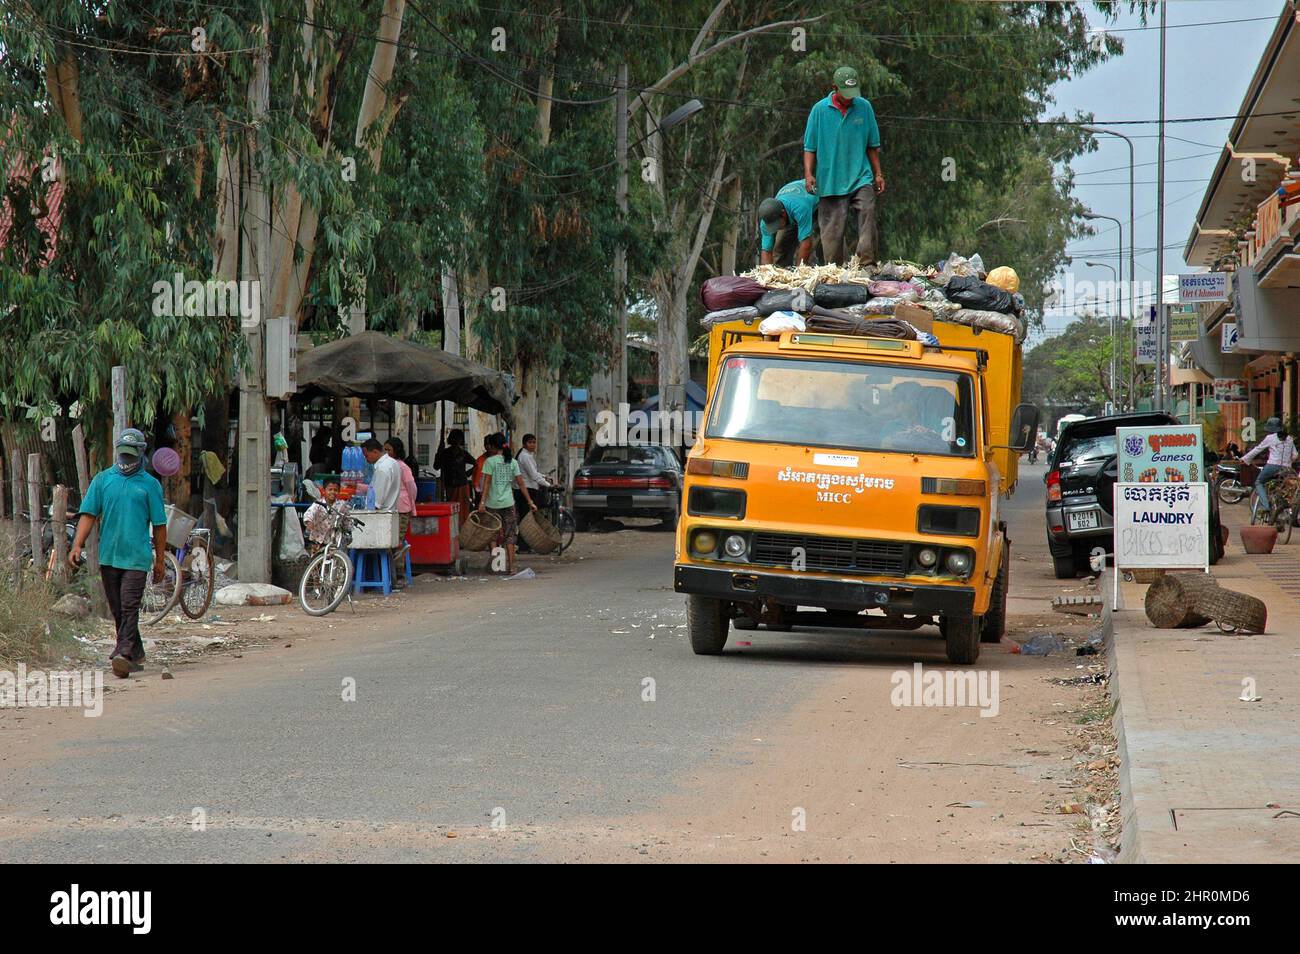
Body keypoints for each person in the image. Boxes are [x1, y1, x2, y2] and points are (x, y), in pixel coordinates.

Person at [68, 428, 168, 680]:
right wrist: (77, 544)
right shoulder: (103, 481)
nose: (126, 459)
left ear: (142, 453)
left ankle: (123, 653)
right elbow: (89, 514)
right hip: (109, 555)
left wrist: (159, 561)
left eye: (131, 455)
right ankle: (137, 651)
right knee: (118, 609)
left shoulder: (150, 485)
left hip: (137, 557)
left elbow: (159, 525)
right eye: (123, 454)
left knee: (129, 604)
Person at [803, 65, 885, 266]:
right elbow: (810, 147)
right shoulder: (819, 110)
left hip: (860, 175)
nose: (849, 98)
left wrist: (878, 174)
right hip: (831, 179)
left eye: (852, 94)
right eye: (845, 93)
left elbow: (872, 145)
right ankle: (836, 269)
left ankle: (866, 263)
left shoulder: (864, 107)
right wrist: (808, 174)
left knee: (867, 210)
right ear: (834, 87)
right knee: (832, 232)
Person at [477, 433, 536, 575]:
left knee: (493, 534)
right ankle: (511, 567)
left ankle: (497, 565)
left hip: (492, 504)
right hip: (509, 503)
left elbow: (486, 484)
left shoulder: (490, 462)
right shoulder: (512, 462)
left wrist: (482, 502)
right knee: (510, 535)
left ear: (493, 446)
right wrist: (530, 501)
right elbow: (521, 483)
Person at [1241, 417, 1297, 513]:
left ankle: (1266, 506)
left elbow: (1257, 449)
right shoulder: (1289, 438)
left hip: (1272, 466)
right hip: (1287, 468)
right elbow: (1295, 455)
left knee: (1259, 482)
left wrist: (1245, 459)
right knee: (1287, 488)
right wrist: (1289, 461)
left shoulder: (1270, 438)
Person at [758, 180, 818, 267]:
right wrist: (767, 274)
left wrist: (799, 273)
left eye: (776, 224)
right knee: (780, 248)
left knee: (828, 240)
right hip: (793, 210)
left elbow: (806, 244)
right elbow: (766, 251)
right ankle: (782, 273)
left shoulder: (800, 208)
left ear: (783, 213)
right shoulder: (766, 220)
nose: (776, 228)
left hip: (820, 203)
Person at [385, 436, 419, 580]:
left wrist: (412, 505)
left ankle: (398, 573)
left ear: (396, 451)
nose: (386, 452)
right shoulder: (385, 465)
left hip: (402, 508)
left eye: (389, 450)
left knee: (398, 541)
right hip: (390, 508)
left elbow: (412, 488)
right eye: (384, 449)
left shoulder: (403, 467)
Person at [434, 428, 476, 525]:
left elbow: (476, 464)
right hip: (449, 485)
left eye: (459, 438)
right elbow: (436, 466)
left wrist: (466, 474)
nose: (457, 440)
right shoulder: (444, 453)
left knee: (463, 509)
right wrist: (438, 453)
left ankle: (463, 527)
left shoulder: (463, 453)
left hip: (462, 485)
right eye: (455, 438)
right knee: (451, 508)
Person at [303, 478, 349, 551]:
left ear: (339, 491)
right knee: (317, 559)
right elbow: (310, 513)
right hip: (317, 539)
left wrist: (348, 530)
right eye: (330, 490)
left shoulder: (342, 505)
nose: (333, 492)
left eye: (335, 490)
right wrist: (309, 522)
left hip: (333, 540)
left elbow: (346, 520)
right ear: (324, 491)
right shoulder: (318, 504)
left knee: (334, 559)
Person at [515, 433, 554, 511]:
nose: (532, 445)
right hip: (526, 490)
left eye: (534, 442)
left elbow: (534, 472)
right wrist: (549, 485)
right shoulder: (525, 457)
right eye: (530, 442)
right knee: (527, 516)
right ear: (524, 444)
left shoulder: (528, 455)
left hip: (529, 489)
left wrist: (544, 476)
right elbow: (534, 475)